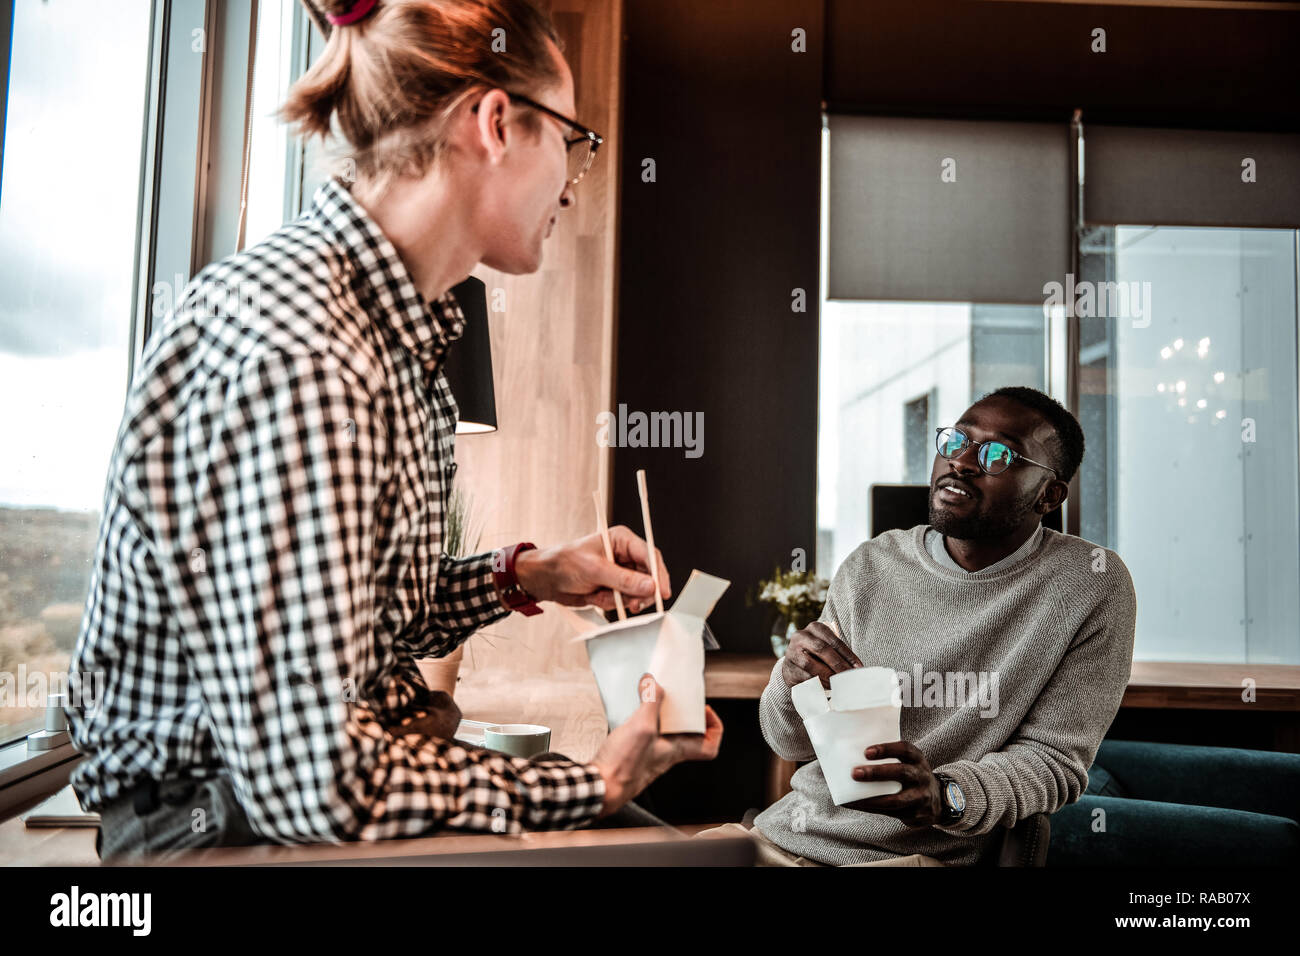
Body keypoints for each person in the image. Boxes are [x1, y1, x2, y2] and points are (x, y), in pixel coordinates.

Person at [66, 0, 721, 862]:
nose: (573, 177)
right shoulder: (305, 346)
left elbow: (371, 618)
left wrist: (529, 574)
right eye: (571, 138)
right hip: (223, 829)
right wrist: (593, 779)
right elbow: (312, 782)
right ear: (494, 123)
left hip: (301, 792)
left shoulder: (397, 337)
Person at [698, 386, 1136, 866]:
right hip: (782, 841)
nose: (962, 462)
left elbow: (1054, 763)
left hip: (910, 859)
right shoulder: (871, 564)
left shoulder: (1090, 582)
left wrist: (947, 796)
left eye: (997, 454)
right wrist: (791, 681)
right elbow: (790, 743)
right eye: (955, 442)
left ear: (1049, 495)